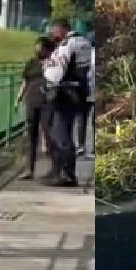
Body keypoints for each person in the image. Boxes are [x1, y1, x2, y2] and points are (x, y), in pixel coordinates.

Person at [43, 19, 93, 187]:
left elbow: (57, 70)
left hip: (65, 92)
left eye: (54, 30)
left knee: (60, 133)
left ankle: (65, 174)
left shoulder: (67, 44)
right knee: (65, 130)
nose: (52, 34)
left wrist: (48, 82)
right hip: (78, 92)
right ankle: (65, 173)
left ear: (62, 29)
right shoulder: (84, 42)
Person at [17, 37, 55, 179]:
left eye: (41, 48)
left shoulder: (52, 63)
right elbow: (25, 82)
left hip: (47, 102)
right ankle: (29, 169)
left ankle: (54, 167)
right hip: (32, 102)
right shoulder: (31, 63)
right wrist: (19, 98)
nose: (38, 51)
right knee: (31, 136)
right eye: (36, 48)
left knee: (49, 133)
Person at [76, 42, 96, 159]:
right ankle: (92, 147)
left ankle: (81, 146)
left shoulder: (84, 55)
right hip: (92, 90)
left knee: (81, 118)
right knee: (92, 120)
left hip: (84, 90)